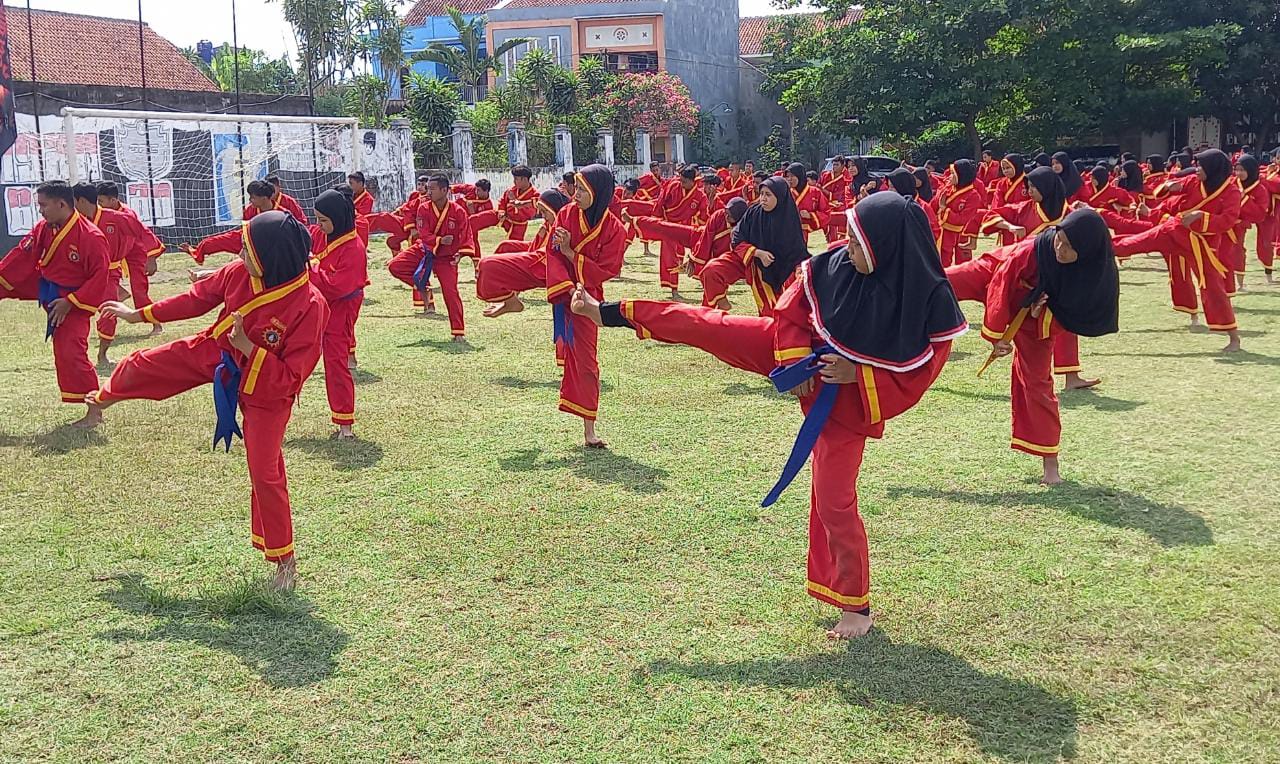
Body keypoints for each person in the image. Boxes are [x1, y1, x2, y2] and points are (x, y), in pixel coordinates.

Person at [572, 192, 967, 639]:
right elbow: (797, 297)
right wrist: (795, 354)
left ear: (886, 247)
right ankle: (608, 312)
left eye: (859, 245)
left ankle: (856, 606)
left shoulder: (927, 296)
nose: (847, 250)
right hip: (795, 351)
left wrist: (858, 374)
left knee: (834, 497)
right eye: (851, 240)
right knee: (706, 325)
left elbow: (920, 371)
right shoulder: (837, 262)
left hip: (849, 399)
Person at [90, 211, 327, 591]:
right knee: (143, 362)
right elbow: (196, 299)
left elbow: (291, 378)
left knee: (265, 471)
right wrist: (138, 314)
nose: (241, 256)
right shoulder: (239, 273)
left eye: (247, 251)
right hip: (219, 353)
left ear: (272, 257)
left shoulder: (310, 304)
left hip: (268, 392)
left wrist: (250, 348)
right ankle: (103, 398)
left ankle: (285, 563)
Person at [946, 208, 1119, 484]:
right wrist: (996, 334)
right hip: (994, 275)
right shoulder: (1032, 250)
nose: (1059, 248)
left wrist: (1043, 313)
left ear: (1085, 252)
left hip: (1035, 322)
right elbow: (1001, 285)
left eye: (1068, 247)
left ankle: (1051, 466)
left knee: (1038, 385)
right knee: (937, 282)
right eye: (1058, 239)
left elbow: (1072, 315)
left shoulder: (1093, 276)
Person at [0, 181, 110, 426]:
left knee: (71, 353)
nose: (40, 210)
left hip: (74, 299)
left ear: (61, 204)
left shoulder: (91, 237)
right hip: (46, 284)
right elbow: (23, 253)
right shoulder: (45, 227)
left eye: (43, 205)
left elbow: (100, 276)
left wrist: (71, 302)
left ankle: (95, 413)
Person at [1113, 149, 1243, 350]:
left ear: (1213, 168)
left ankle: (1233, 338)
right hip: (1174, 230)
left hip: (1202, 245)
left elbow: (1228, 220)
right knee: (1131, 244)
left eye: (1201, 166)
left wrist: (1201, 216)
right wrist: (1169, 188)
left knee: (1214, 287)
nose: (1197, 169)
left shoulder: (1231, 192)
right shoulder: (1193, 181)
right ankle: (1092, 245)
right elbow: (1173, 192)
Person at [544, 165, 627, 447]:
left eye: (581, 189)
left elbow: (607, 269)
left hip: (589, 299)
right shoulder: (566, 214)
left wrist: (571, 252)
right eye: (574, 188)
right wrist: (565, 286)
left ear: (597, 193)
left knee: (588, 362)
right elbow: (552, 254)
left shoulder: (615, 229)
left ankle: (589, 430)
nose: (574, 194)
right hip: (564, 287)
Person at [700, 176, 809, 315]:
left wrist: (799, 269)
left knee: (773, 313)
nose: (763, 198)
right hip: (746, 258)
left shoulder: (789, 220)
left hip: (772, 268)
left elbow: (796, 253)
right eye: (761, 193)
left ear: (780, 196)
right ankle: (720, 302)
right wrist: (756, 252)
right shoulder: (753, 212)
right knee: (711, 270)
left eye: (768, 195)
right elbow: (737, 237)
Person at [310, 190, 368, 438]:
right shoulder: (325, 235)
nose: (319, 225)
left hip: (340, 310)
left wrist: (310, 267)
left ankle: (345, 424)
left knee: (335, 363)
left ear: (338, 217)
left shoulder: (354, 248)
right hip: (318, 305)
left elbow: (336, 287)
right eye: (317, 219)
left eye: (323, 220)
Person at [387, 174, 474, 340]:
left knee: (451, 292)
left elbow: (466, 234)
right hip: (425, 249)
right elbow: (423, 233)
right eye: (428, 188)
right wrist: (440, 240)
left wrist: (461, 254)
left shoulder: (458, 211)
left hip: (446, 257)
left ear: (444, 190)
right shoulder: (424, 208)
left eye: (432, 189)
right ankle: (423, 286)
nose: (429, 192)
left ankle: (458, 332)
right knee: (395, 266)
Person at [477, 189, 573, 318]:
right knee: (505, 246)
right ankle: (510, 296)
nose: (543, 216)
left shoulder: (563, 227)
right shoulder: (550, 222)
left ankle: (510, 301)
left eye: (545, 212)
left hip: (545, 264)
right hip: (538, 252)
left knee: (487, 265)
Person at [71, 183, 133, 367]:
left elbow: (139, 231)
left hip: (107, 272)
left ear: (81, 201)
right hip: (79, 271)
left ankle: (102, 354)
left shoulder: (116, 217)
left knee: (108, 314)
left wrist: (151, 254)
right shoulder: (73, 221)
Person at [96, 182, 165, 330]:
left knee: (139, 292)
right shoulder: (100, 214)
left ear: (113, 201)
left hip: (136, 253)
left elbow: (143, 233)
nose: (99, 205)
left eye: (101, 201)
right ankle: (119, 293)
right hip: (117, 254)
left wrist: (151, 257)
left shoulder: (126, 215)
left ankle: (156, 323)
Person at [649, 164, 709, 297]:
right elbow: (660, 202)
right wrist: (657, 222)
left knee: (701, 252)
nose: (681, 184)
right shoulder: (673, 186)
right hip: (669, 226)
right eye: (681, 180)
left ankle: (707, 284)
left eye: (685, 182)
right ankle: (674, 289)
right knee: (670, 257)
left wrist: (703, 230)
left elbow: (704, 215)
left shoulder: (700, 196)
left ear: (693, 181)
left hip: (686, 228)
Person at [1226, 154, 1269, 292]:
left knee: (1238, 251)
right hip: (1223, 223)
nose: (1238, 173)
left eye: (1242, 170)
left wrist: (1245, 199)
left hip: (1239, 226)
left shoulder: (1260, 189)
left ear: (1250, 170)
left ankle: (1240, 283)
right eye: (1236, 169)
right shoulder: (1231, 182)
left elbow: (1260, 214)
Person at [934, 159, 984, 266]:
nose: (950, 177)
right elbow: (933, 206)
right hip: (940, 231)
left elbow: (962, 219)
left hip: (960, 231)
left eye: (953, 173)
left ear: (961, 175)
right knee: (941, 260)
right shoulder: (947, 188)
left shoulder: (973, 196)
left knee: (962, 262)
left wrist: (944, 209)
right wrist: (942, 191)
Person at [688, 196, 748, 279]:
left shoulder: (746, 225)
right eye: (726, 212)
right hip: (712, 253)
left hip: (731, 261)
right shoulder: (718, 216)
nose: (726, 216)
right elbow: (705, 239)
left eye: (730, 215)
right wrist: (693, 259)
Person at [786, 162, 830, 246]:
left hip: (814, 235)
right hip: (793, 235)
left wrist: (810, 215)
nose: (789, 179)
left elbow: (827, 213)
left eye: (792, 176)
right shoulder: (787, 193)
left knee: (815, 258)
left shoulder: (815, 192)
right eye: (788, 176)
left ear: (800, 176)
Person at [497, 166, 539, 242]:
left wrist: (515, 200)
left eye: (516, 179)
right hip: (505, 219)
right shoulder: (511, 190)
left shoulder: (535, 195)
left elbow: (532, 212)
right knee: (486, 216)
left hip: (519, 225)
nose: (514, 181)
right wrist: (501, 211)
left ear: (525, 179)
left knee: (513, 245)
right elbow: (502, 201)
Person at [820, 156, 851, 242]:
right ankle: (829, 238)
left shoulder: (847, 177)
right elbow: (819, 187)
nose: (834, 167)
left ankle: (840, 238)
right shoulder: (825, 175)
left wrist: (824, 191)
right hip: (826, 202)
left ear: (842, 166)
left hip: (841, 203)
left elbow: (842, 194)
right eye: (833, 165)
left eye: (837, 165)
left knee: (841, 212)